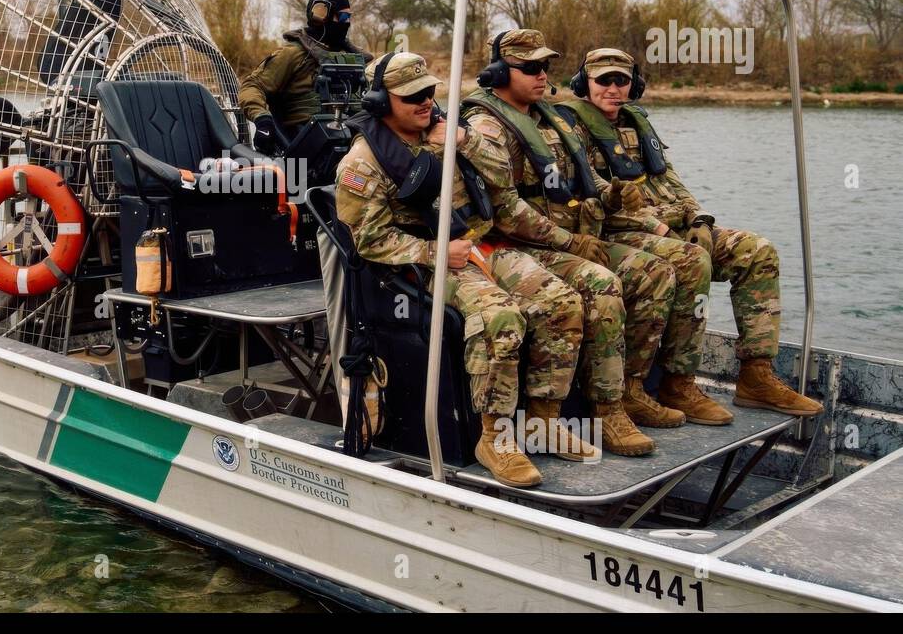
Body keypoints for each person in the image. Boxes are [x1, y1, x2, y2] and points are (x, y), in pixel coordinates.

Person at [335, 51, 594, 489]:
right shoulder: (363, 163)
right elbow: (368, 240)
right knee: (500, 316)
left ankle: (544, 422)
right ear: (381, 102)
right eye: (411, 96)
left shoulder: (446, 130)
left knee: (560, 302)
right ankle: (494, 438)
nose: (424, 102)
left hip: (479, 245)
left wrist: (462, 140)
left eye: (429, 93)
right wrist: (436, 252)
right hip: (422, 264)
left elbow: (501, 176)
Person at [559, 47, 823, 420]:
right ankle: (676, 381)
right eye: (604, 80)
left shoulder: (637, 123)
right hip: (617, 233)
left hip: (673, 227)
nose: (614, 88)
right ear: (583, 83)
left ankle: (756, 375)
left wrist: (700, 220)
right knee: (691, 259)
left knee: (756, 250)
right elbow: (595, 192)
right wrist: (664, 228)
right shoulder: (572, 129)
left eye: (622, 80)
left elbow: (671, 180)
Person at [462, 29, 670, 457]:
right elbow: (505, 212)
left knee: (655, 272)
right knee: (601, 286)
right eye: (531, 68)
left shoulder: (549, 118)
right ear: (500, 73)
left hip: (570, 239)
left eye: (546, 67)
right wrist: (570, 242)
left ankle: (620, 399)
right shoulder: (487, 126)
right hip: (511, 245)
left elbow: (581, 181)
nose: (542, 75)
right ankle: (550, 417)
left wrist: (612, 195)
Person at [239, 0, 372, 152]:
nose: (346, 22)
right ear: (321, 15)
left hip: (355, 142)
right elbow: (251, 86)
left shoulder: (353, 58)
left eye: (349, 17)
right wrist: (262, 119)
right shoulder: (294, 54)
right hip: (308, 148)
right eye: (343, 16)